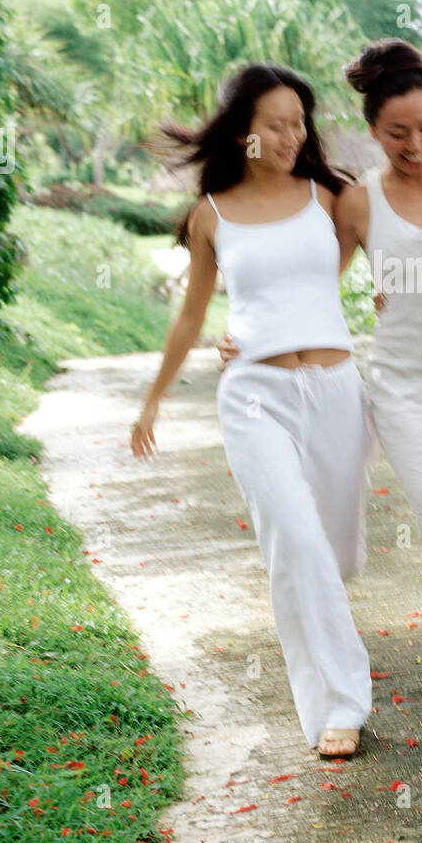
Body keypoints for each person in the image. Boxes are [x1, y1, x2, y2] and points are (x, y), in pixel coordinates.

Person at [219, 39, 422, 739]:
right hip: (403, 391)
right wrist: (244, 335)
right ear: (372, 132)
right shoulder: (357, 203)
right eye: (397, 133)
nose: (415, 145)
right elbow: (307, 282)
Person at [131, 63, 372, 760]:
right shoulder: (210, 215)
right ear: (244, 133)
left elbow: (374, 249)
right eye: (277, 124)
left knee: (330, 552)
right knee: (296, 541)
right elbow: (190, 317)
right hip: (253, 396)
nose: (294, 135)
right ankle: (340, 705)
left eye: (300, 122)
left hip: (336, 392)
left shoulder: (331, 196)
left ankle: (328, 643)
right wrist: (153, 401)